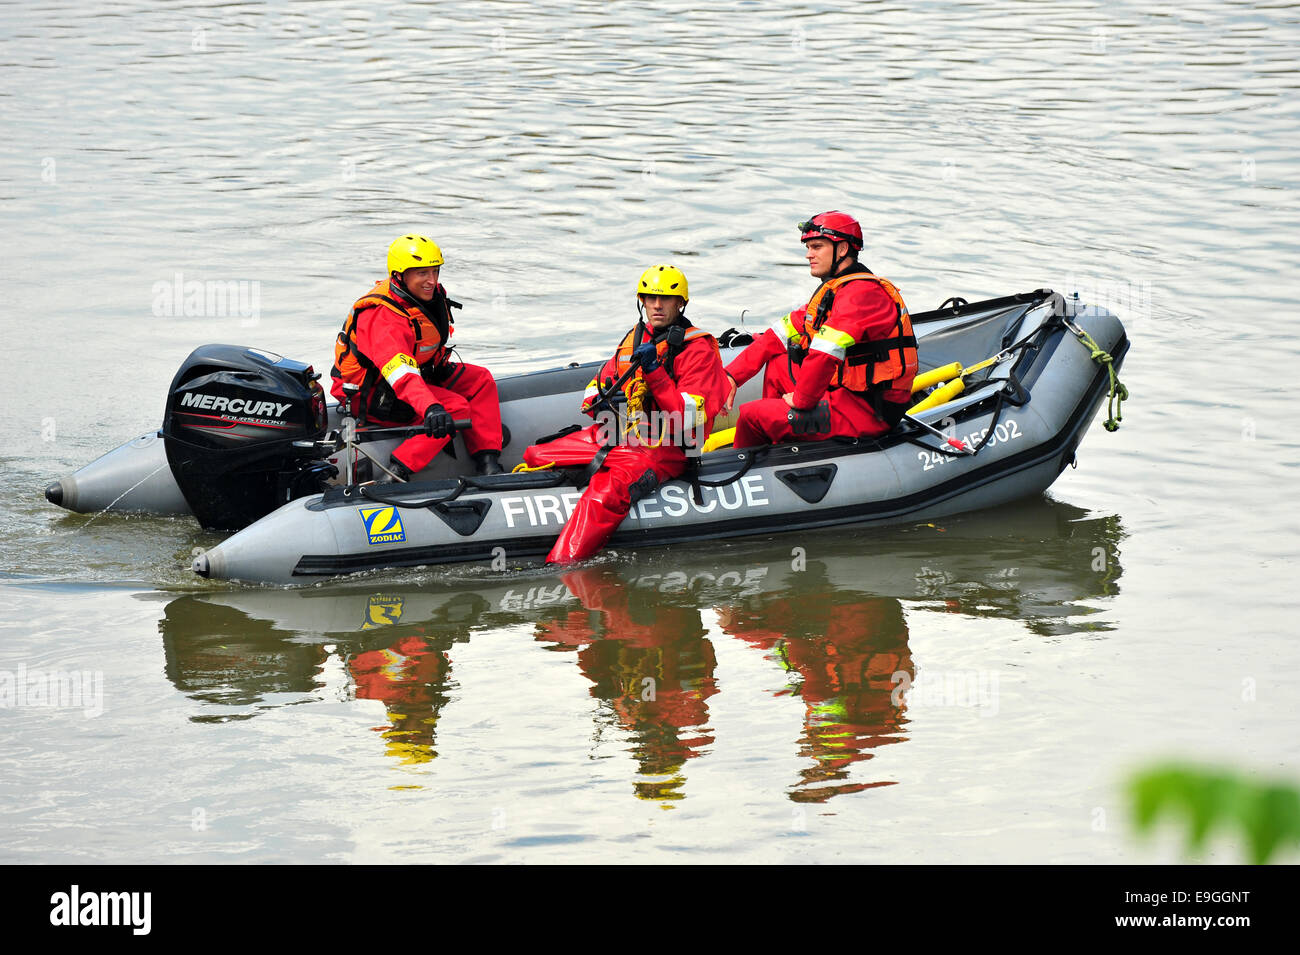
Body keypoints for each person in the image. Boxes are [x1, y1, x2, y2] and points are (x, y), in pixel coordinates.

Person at [521, 265, 729, 564]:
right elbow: (597, 385)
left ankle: (562, 566)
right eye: (650, 298)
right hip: (620, 432)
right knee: (535, 454)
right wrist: (602, 402)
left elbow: (687, 419)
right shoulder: (636, 336)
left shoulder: (697, 350)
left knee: (604, 495)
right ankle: (583, 480)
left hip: (663, 447)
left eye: (666, 299)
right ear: (641, 301)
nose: (657, 306)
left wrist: (655, 373)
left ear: (680, 303)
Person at [723, 211, 918, 446]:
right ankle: (782, 438)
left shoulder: (861, 295)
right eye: (808, 247)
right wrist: (732, 375)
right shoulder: (837, 290)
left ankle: (750, 462)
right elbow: (780, 333)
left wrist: (802, 399)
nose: (808, 255)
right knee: (777, 363)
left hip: (868, 409)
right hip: (845, 390)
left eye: (816, 247)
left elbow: (825, 354)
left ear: (843, 249)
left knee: (751, 415)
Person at [331, 234, 504, 479]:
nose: (431, 281)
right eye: (422, 273)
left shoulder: (425, 296)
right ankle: (395, 473)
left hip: (414, 375)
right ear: (399, 276)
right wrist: (431, 407)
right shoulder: (382, 316)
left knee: (480, 380)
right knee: (453, 408)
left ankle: (488, 464)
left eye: (435, 272)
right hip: (371, 392)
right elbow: (401, 374)